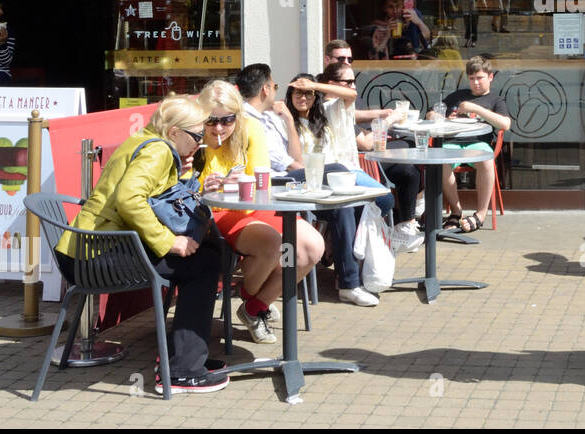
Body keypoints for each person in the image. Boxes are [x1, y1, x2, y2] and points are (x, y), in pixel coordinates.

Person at [55, 95, 228, 393]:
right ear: (174, 132)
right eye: (196, 136)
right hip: (95, 258)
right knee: (206, 263)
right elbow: (129, 199)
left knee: (207, 256)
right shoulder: (158, 151)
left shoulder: (144, 140)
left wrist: (193, 183)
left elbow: (155, 195)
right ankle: (183, 370)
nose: (199, 143)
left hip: (82, 251)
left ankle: (187, 357)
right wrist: (169, 242)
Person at [197, 80, 324, 343]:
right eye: (211, 121)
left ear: (237, 115)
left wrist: (239, 182)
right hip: (212, 212)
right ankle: (257, 304)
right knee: (274, 245)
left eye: (227, 120)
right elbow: (182, 182)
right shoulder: (193, 132)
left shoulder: (250, 128)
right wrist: (205, 186)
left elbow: (259, 176)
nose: (218, 128)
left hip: (251, 204)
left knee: (311, 247)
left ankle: (254, 306)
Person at [288, 64, 407, 306]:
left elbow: (351, 95)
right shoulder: (286, 122)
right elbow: (295, 163)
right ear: (289, 97)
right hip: (305, 186)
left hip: (335, 186)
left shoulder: (324, 115)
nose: (303, 97)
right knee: (356, 190)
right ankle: (350, 281)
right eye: (297, 93)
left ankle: (348, 279)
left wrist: (314, 85)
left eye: (308, 93)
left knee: (357, 207)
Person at [435, 55, 512, 233]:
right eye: (472, 79)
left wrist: (476, 109)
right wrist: (443, 117)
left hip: (478, 144)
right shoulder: (457, 96)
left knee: (486, 160)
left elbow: (505, 124)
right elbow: (432, 114)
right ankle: (456, 211)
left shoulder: (495, 100)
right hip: (452, 142)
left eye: (480, 78)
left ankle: (481, 214)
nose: (476, 83)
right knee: (439, 160)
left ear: (490, 77)